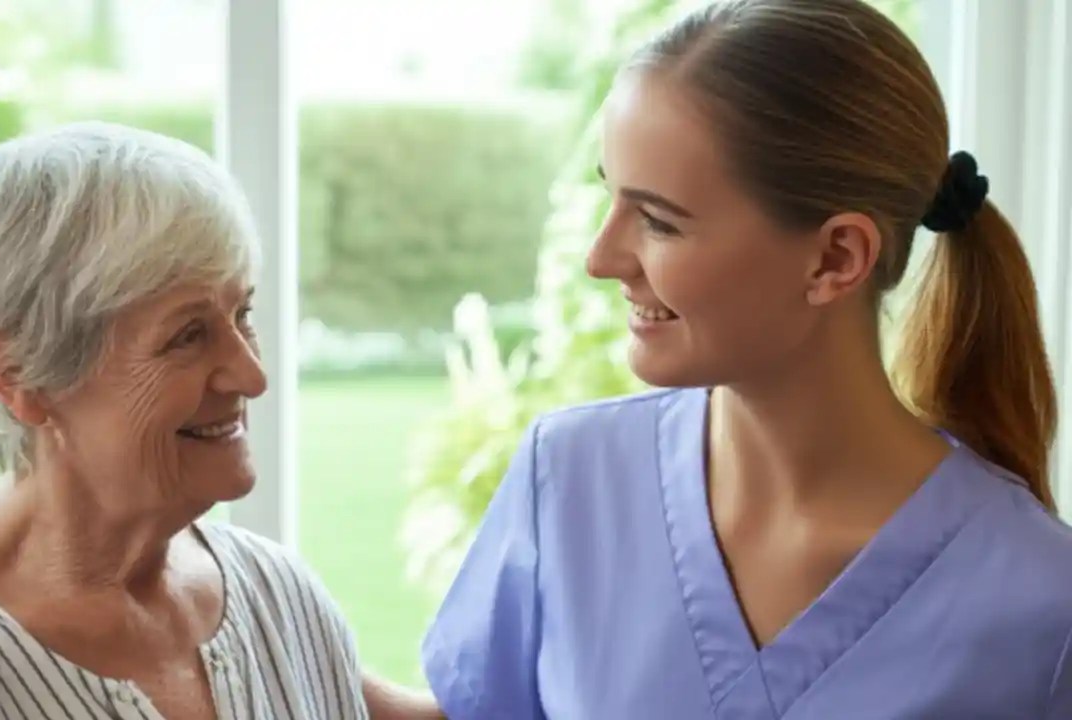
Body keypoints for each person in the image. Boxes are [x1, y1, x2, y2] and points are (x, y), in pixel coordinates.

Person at [365, 0, 1072, 718]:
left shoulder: (1042, 606)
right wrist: (260, 606)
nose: (601, 258)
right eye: (611, 199)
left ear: (835, 257)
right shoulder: (571, 479)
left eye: (660, 221)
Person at [0, 122, 367, 719]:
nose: (251, 376)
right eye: (188, 336)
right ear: (18, 374)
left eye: (241, 313)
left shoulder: (275, 595)